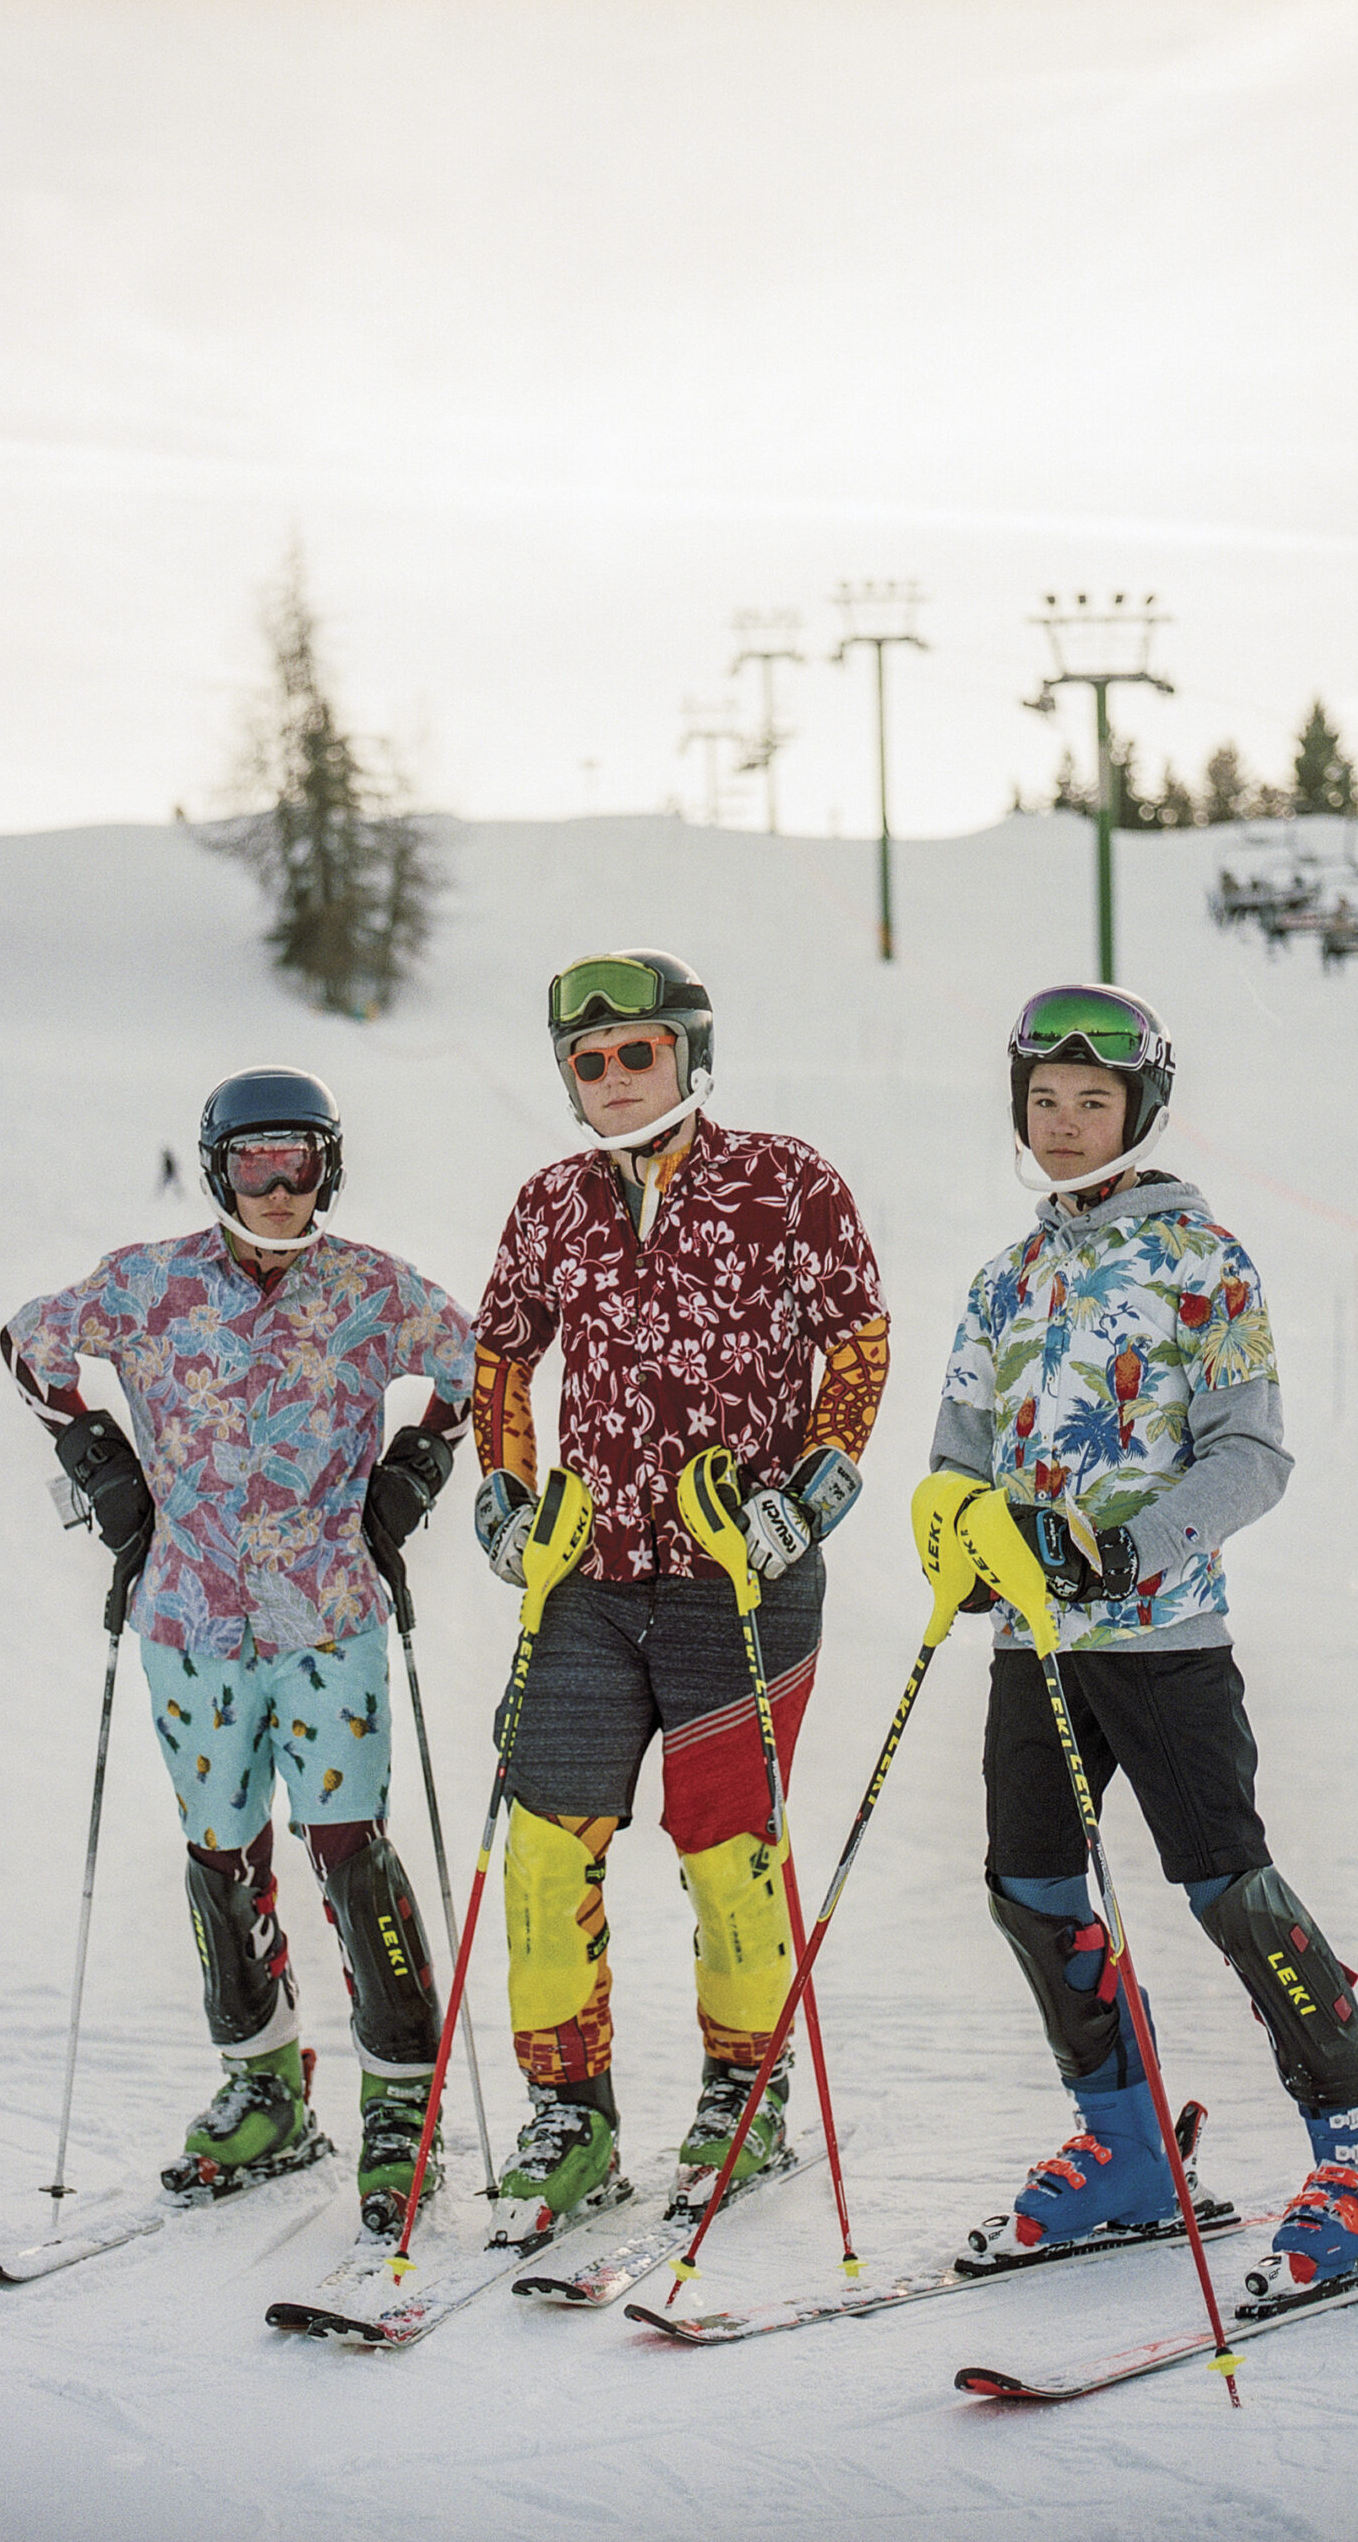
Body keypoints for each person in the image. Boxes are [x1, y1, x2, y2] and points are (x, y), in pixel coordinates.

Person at [932, 983, 1358, 2292]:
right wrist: (961, 1546)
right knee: (1031, 1890)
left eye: (1092, 1102)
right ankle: (1130, 2149)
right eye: (1043, 1101)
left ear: (1140, 1110)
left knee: (1226, 1886)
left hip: (1162, 1637)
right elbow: (955, 1459)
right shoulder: (1004, 1280)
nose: (1064, 1124)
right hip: (1030, 1652)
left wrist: (1116, 1544)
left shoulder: (1201, 1264)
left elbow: (1251, 1456)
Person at [1, 1068, 476, 2234]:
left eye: (299, 1161)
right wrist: (102, 1464)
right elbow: (29, 1339)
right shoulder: (149, 1283)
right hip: (191, 1622)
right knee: (220, 1857)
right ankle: (263, 2086)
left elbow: (474, 1366)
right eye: (255, 1163)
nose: (277, 1187)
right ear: (218, 1167)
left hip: (326, 1618)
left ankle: (402, 2103)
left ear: (331, 1163)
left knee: (347, 1851)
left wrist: (413, 1471)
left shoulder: (371, 1289)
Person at [467, 950, 890, 2243]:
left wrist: (806, 1497)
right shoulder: (548, 1204)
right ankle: (570, 2115)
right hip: (589, 1581)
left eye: (634, 1054)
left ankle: (738, 2101)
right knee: (544, 1852)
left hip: (736, 1578)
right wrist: (506, 1499)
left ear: (689, 1056)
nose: (609, 1079)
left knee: (724, 1854)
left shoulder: (786, 1181)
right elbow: (499, 1354)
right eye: (587, 1063)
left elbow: (858, 1339)